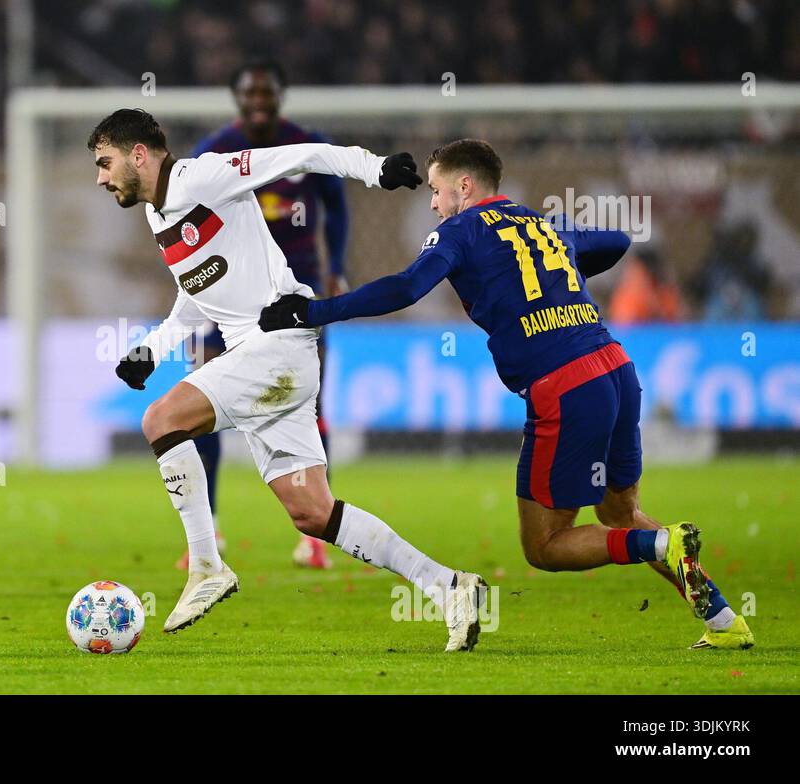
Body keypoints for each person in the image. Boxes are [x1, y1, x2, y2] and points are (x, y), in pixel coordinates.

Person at [260, 139, 753, 650]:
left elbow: (406, 288)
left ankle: (661, 543)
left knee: (545, 545)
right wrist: (559, 275)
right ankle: (722, 620)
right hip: (614, 369)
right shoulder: (539, 223)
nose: (433, 202)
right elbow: (616, 242)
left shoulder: (460, 230)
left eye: (436, 190)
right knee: (620, 514)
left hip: (565, 387)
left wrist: (312, 312)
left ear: (464, 186)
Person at [90, 109, 486, 651]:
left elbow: (300, 156)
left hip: (275, 347)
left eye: (105, 162)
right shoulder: (159, 215)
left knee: (162, 419)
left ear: (139, 155)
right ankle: (450, 587)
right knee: (312, 513)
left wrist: (374, 170)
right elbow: (197, 293)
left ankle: (206, 566)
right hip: (266, 363)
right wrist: (151, 348)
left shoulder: (204, 176)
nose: (101, 177)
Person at [183, 59, 348, 570]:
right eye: (250, 94)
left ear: (281, 95)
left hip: (294, 294)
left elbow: (338, 205)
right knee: (200, 414)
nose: (259, 102)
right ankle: (207, 536)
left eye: (267, 93)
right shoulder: (212, 152)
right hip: (229, 297)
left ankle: (317, 535)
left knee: (306, 408)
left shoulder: (305, 143)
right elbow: (186, 218)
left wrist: (335, 268)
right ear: (237, 98)